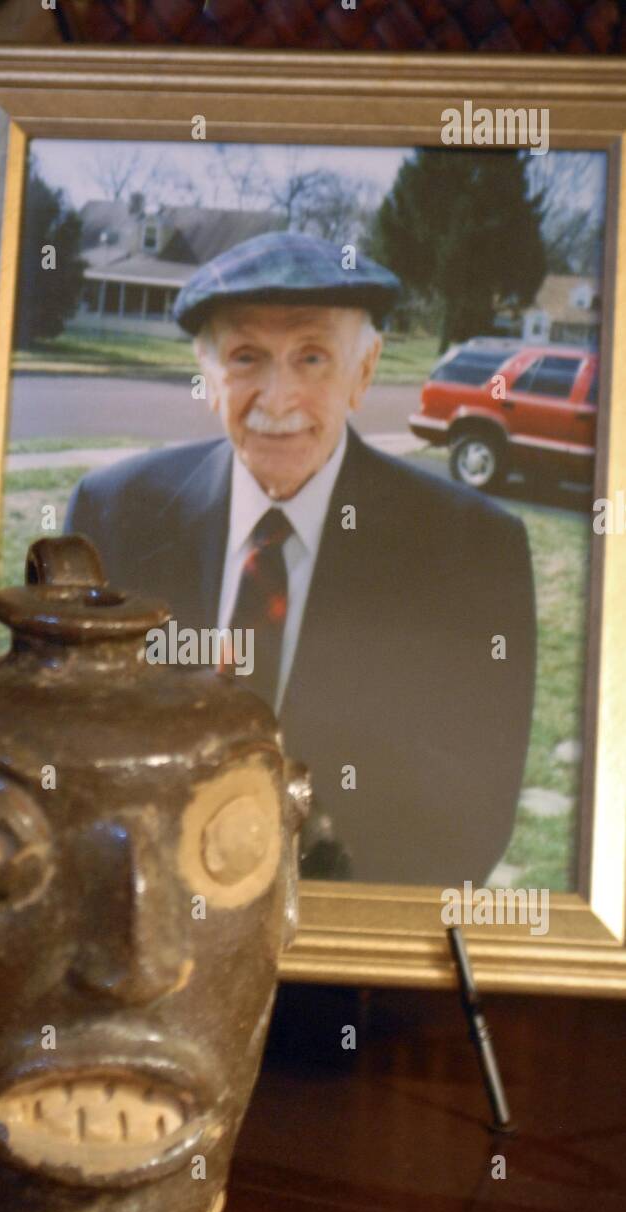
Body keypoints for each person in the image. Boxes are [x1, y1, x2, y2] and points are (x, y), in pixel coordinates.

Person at [65, 231, 536, 884]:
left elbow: (468, 818)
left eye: (312, 358)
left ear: (363, 373)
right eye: (247, 357)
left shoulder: (471, 549)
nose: (278, 399)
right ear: (207, 375)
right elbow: (69, 751)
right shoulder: (113, 514)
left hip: (346, 954)